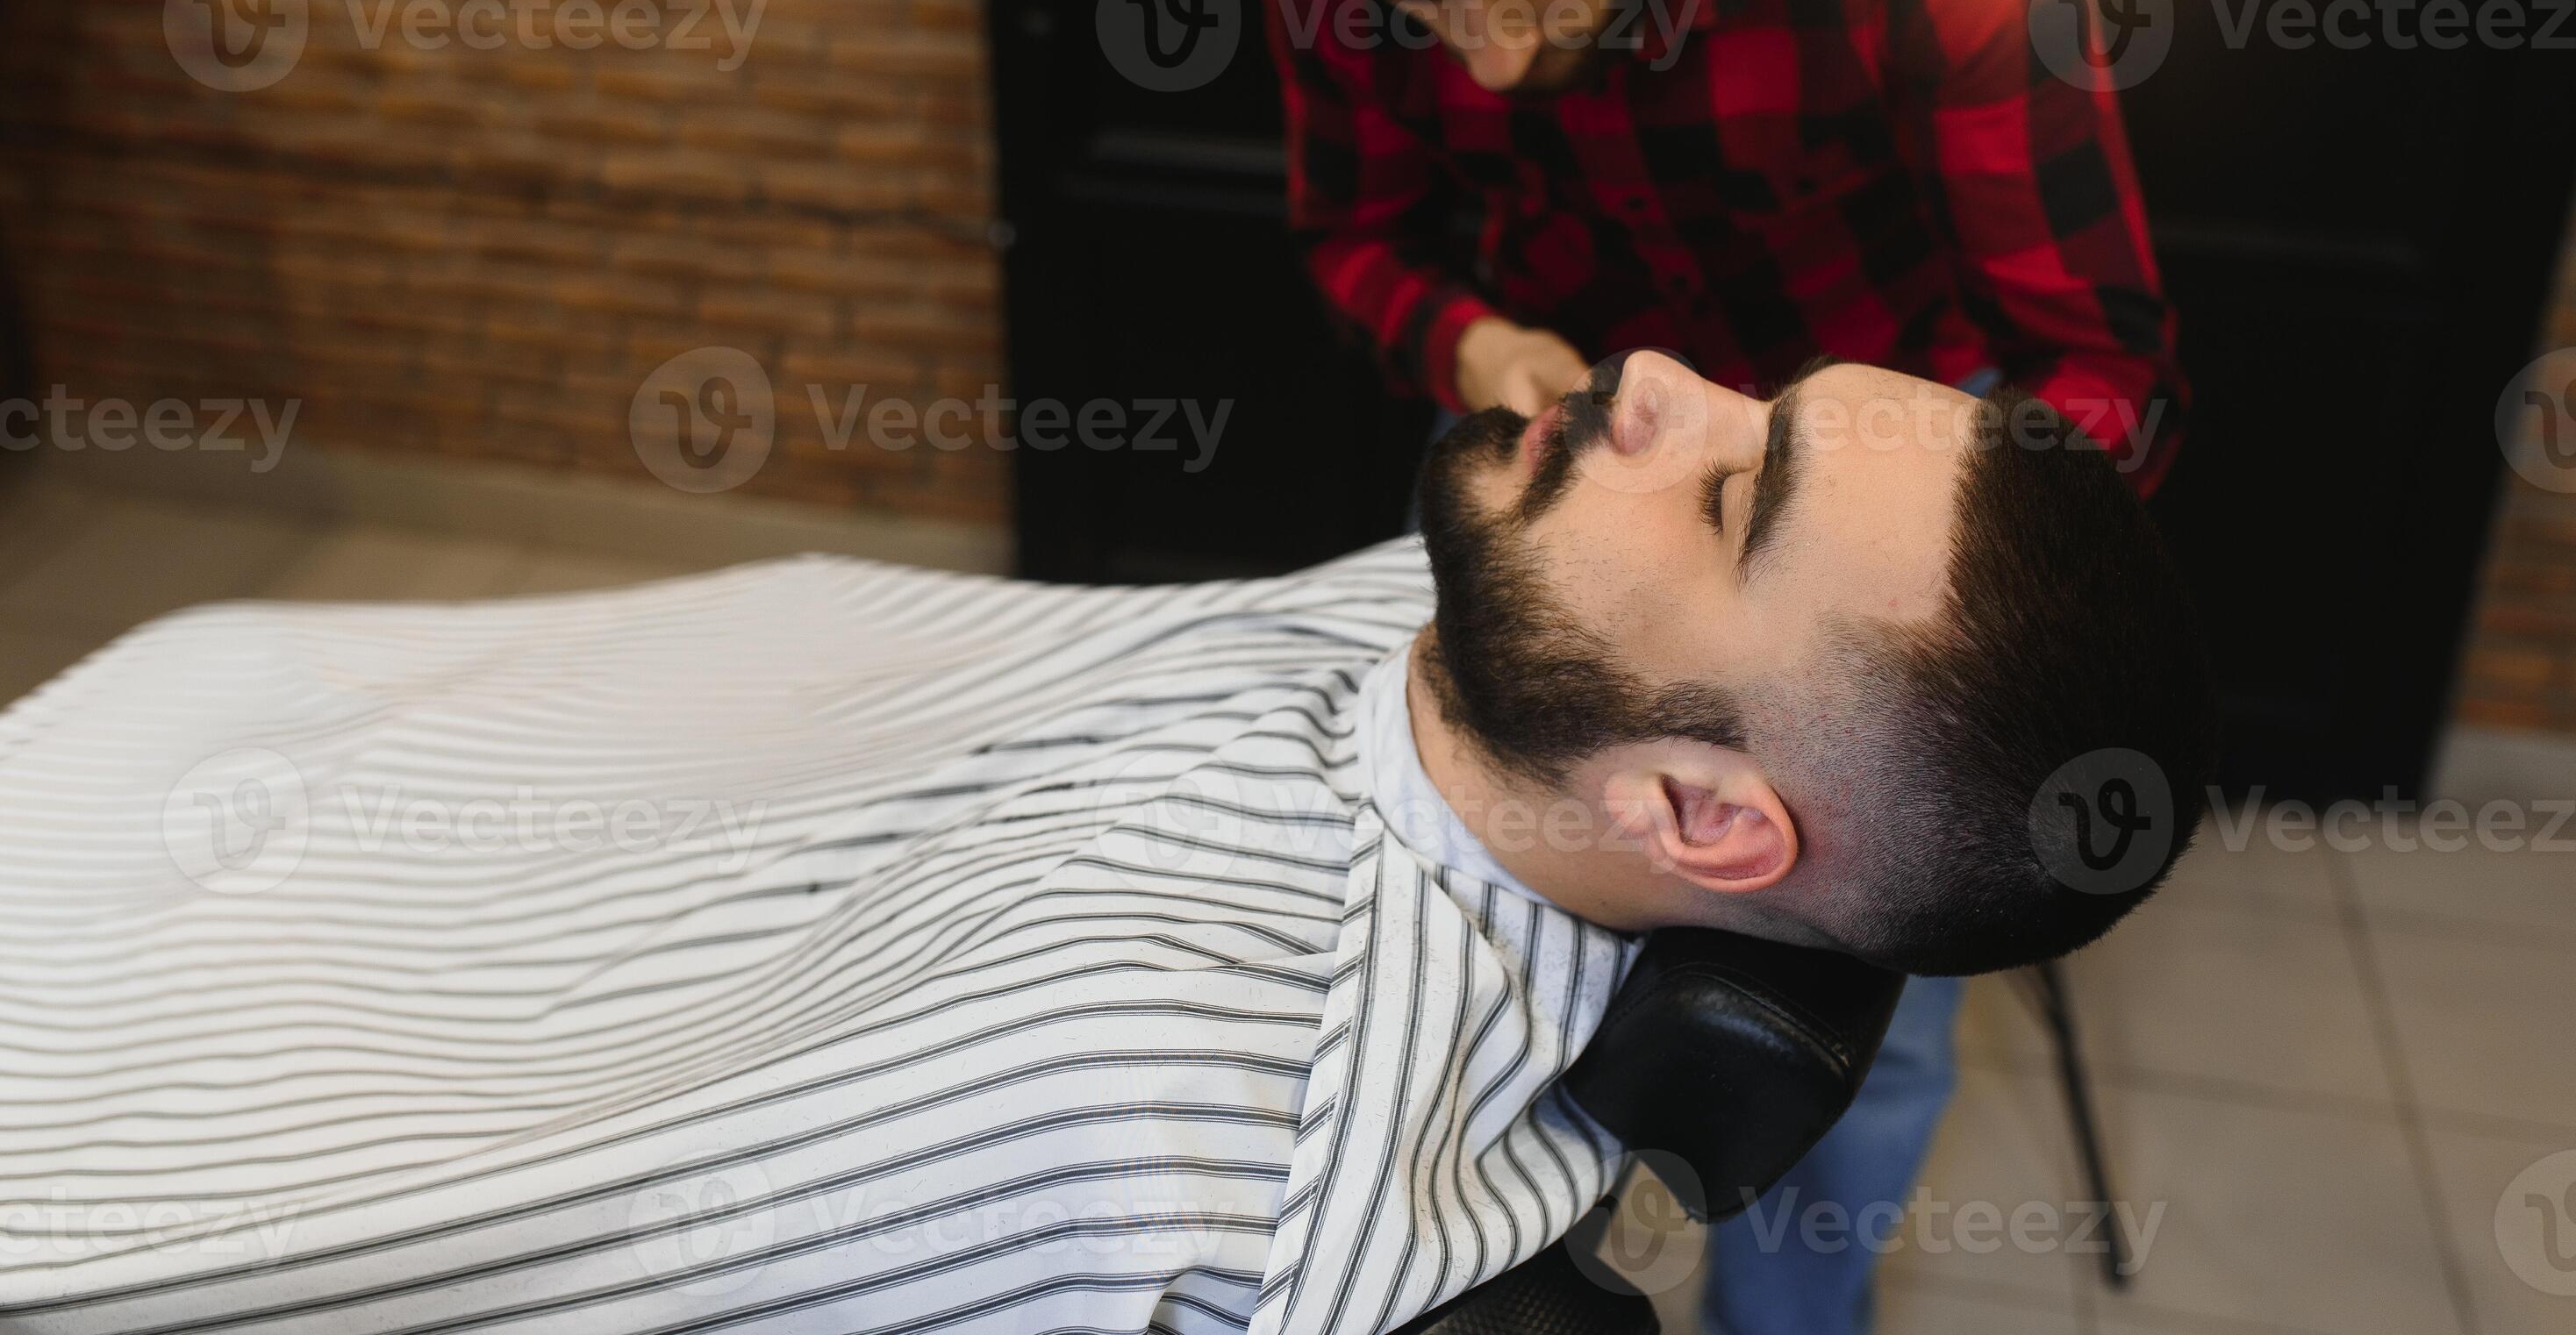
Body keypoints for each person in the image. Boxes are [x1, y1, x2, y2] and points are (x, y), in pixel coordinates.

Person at [0, 361, 2213, 1335]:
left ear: (1703, 815)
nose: (1649, 376)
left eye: (1726, 493)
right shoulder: (1498, 660)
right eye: (1749, 395)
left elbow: (284, 1238)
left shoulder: (1170, 1106)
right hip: (390, 763)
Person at [1236, 0, 2192, 1327]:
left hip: (1859, 428)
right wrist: (1469, 348)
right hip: (1560, 435)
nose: (1486, 56)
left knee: (1836, 1025)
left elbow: (2102, 365)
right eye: (1418, 4)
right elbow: (1356, 235)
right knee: (1442, 934)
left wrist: (1892, 582)